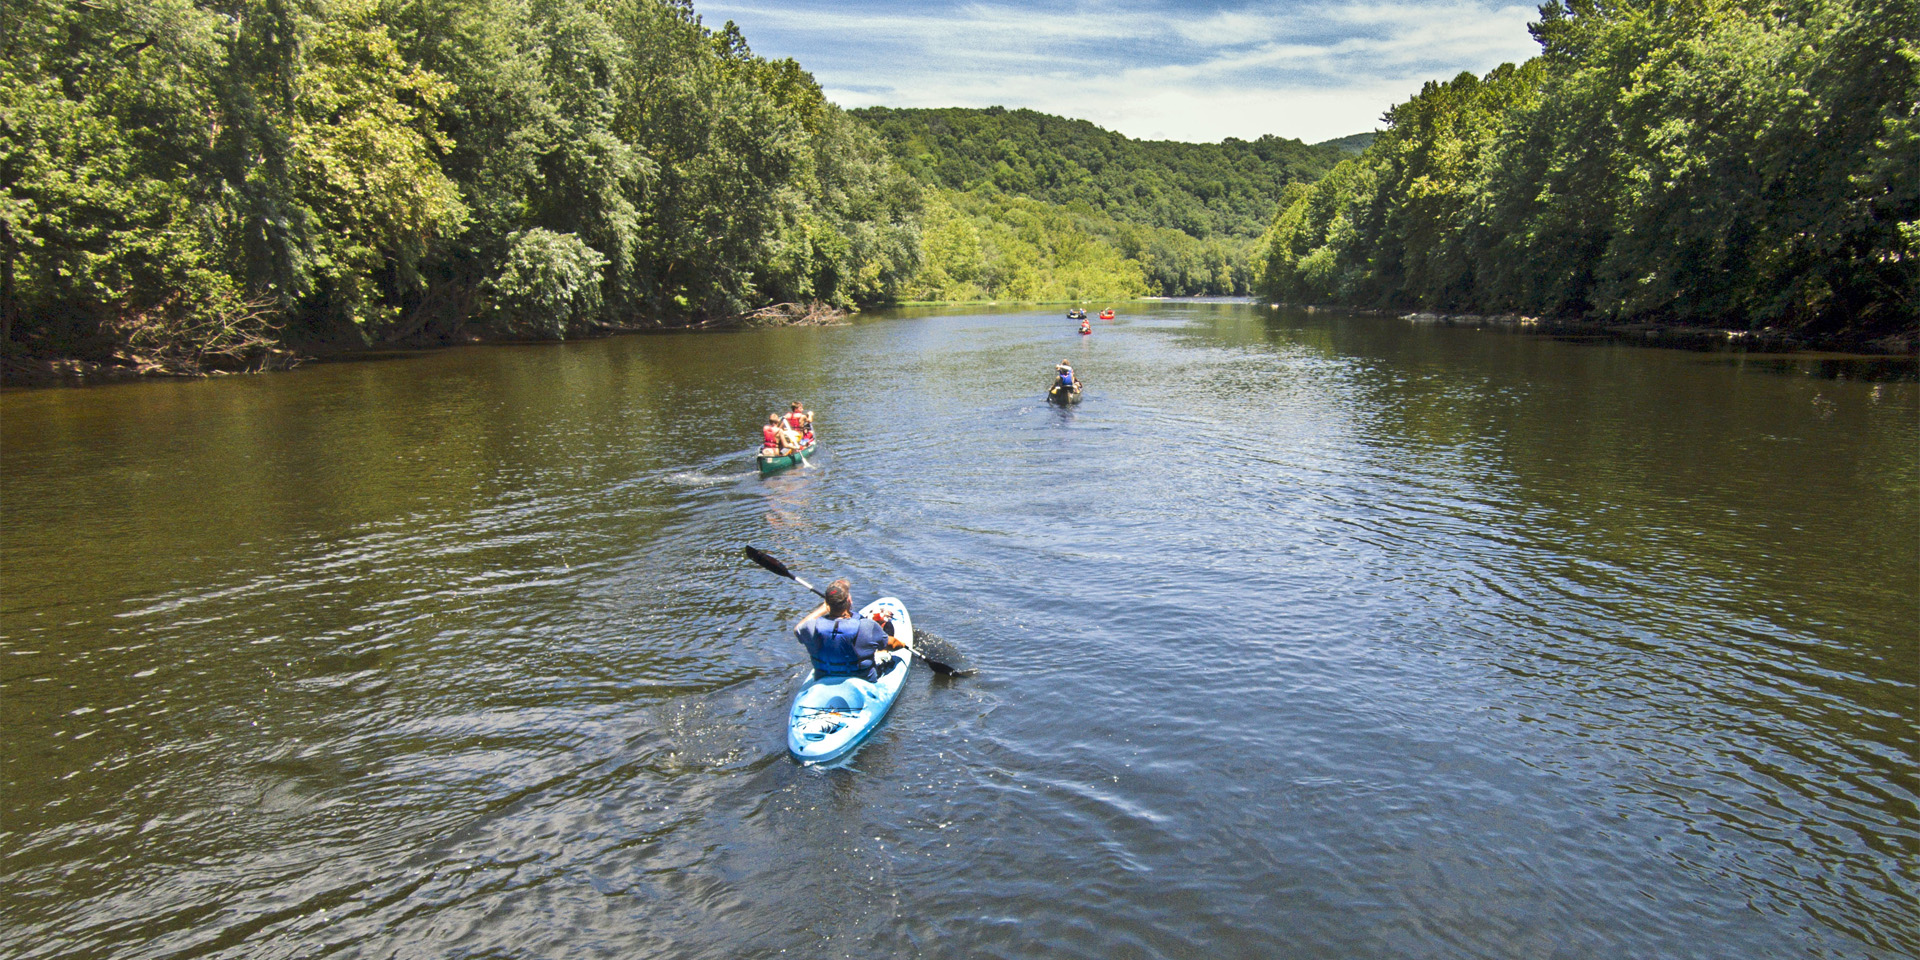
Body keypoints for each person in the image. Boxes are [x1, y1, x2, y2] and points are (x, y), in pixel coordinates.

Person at [795, 579, 905, 681]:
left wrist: (824, 608)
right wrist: (903, 644)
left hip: (825, 676)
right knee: (885, 652)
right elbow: (893, 645)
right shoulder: (867, 627)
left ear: (828, 604)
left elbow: (798, 629)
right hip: (862, 679)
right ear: (849, 600)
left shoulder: (810, 628)